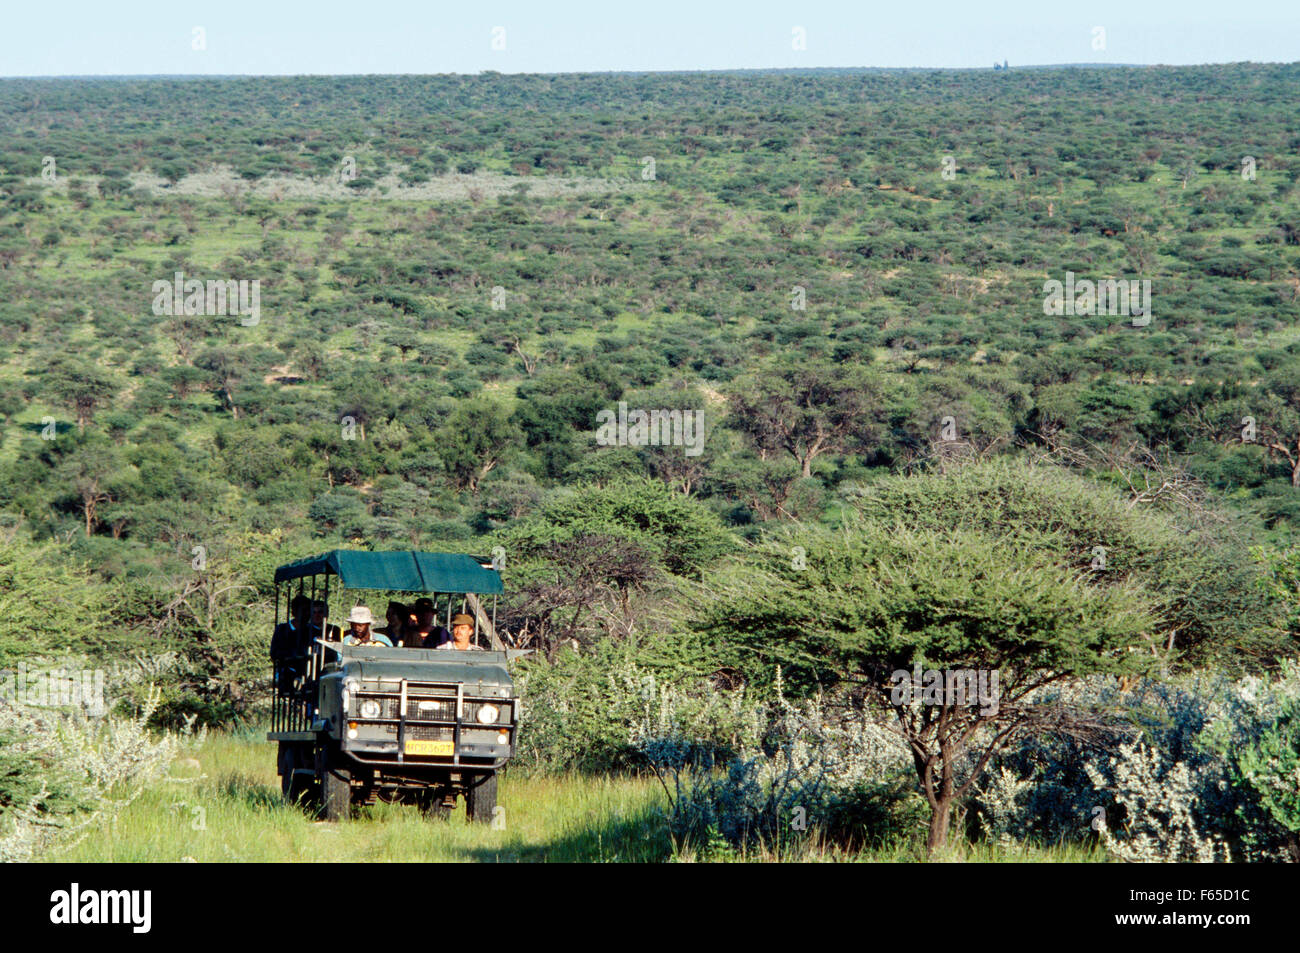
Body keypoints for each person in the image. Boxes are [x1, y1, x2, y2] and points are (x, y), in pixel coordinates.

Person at [271, 594, 311, 689]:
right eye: (304, 610)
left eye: (308, 611)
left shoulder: (309, 630)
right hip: (286, 674)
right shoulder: (282, 629)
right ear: (294, 612)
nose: (307, 614)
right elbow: (274, 654)